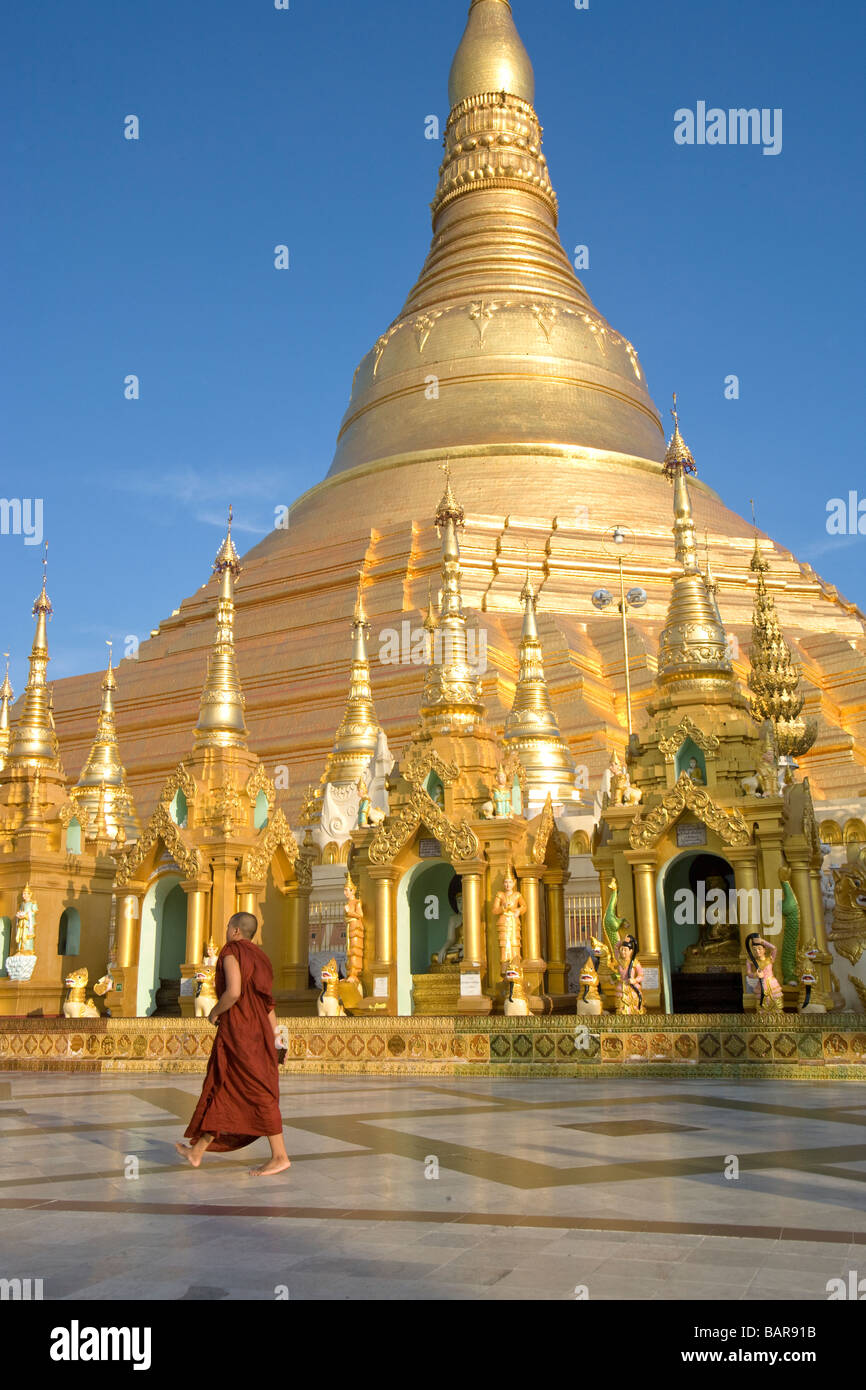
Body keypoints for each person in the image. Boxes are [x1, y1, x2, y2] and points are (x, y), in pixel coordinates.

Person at [175, 912, 290, 1177]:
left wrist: (215, 1011)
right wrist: (277, 1039)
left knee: (257, 1091)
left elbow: (234, 991)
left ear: (236, 931)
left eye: (228, 926)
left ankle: (280, 1156)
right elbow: (267, 1003)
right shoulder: (261, 958)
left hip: (240, 1032)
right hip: (260, 1032)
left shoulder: (232, 951)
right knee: (225, 1085)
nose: (227, 930)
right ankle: (197, 1151)